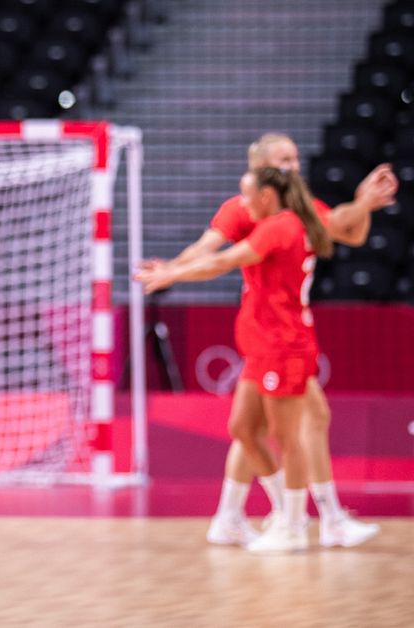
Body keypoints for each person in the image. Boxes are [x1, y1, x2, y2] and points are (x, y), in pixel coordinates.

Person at [145, 134, 395, 548]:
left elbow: (344, 228)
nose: (293, 166)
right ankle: (281, 516)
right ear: (259, 171)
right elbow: (210, 249)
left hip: (282, 337)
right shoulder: (250, 210)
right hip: (266, 335)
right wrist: (170, 269)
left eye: (295, 159)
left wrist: (363, 205)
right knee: (252, 428)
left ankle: (293, 518)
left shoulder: (290, 219)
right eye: (283, 160)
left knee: (286, 426)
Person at [139, 166, 340, 551]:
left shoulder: (279, 226)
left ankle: (293, 526)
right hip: (262, 347)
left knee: (286, 438)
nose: (243, 204)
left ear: (267, 196)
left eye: (247, 196)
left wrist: (173, 274)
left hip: (284, 346)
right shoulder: (277, 224)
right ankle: (285, 513)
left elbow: (222, 262)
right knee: (244, 429)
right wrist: (174, 268)